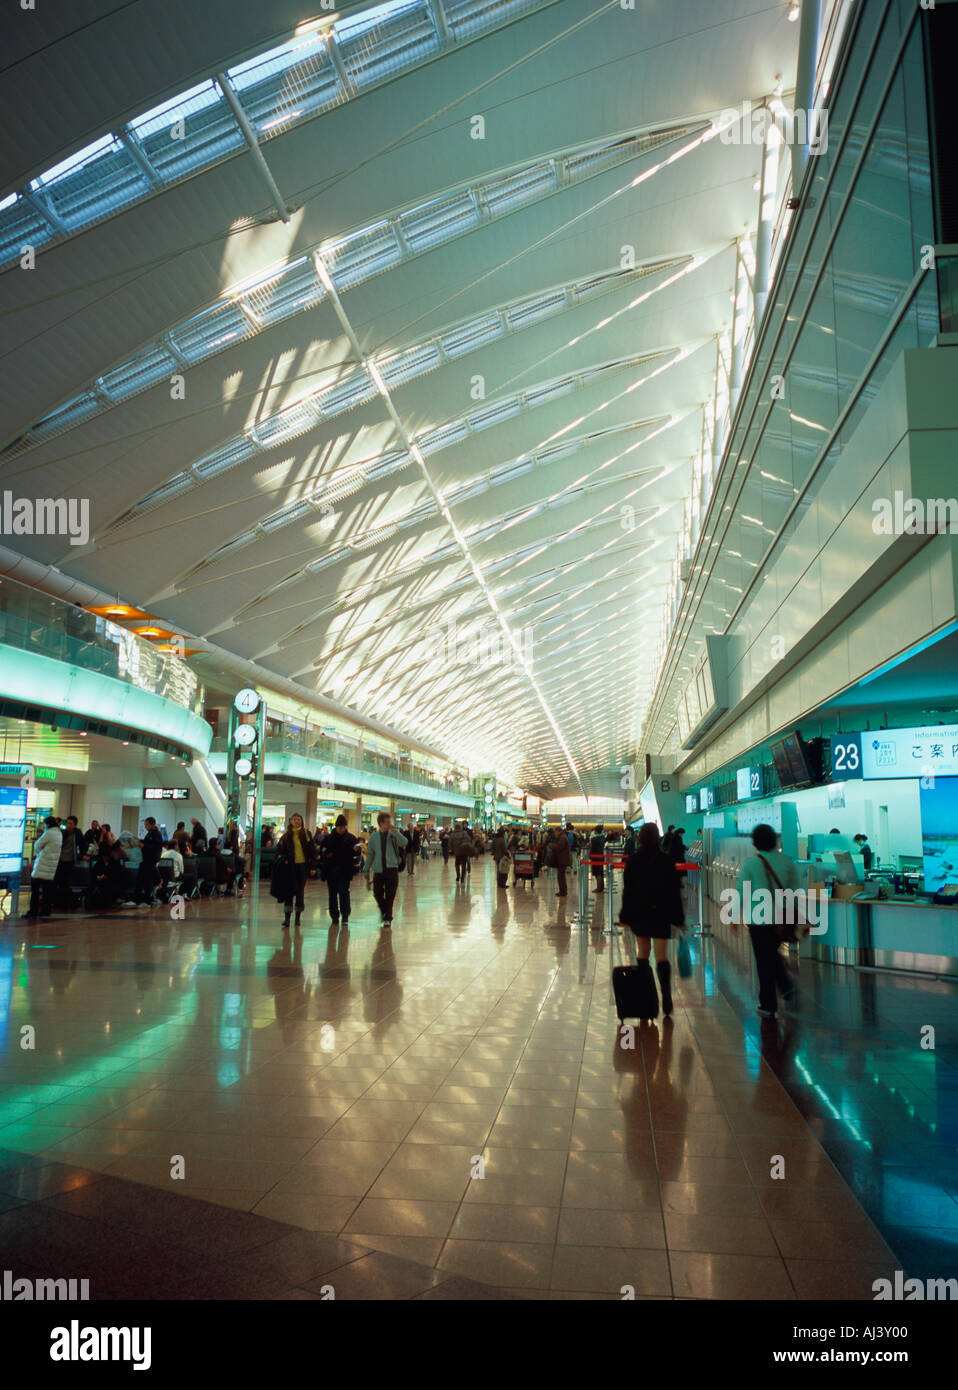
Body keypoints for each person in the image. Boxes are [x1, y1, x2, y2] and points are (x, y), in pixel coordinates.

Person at [617, 822, 685, 1015]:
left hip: (640, 913)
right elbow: (674, 892)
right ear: (658, 838)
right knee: (661, 955)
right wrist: (678, 919)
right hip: (661, 913)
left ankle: (647, 998)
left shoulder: (634, 860)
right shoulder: (666, 860)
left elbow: (628, 891)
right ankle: (666, 996)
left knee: (643, 953)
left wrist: (624, 916)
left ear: (640, 838)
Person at [735, 823, 799, 1019]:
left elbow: (741, 891)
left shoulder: (751, 864)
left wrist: (733, 916)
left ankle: (768, 1005)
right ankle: (786, 986)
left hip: (759, 920)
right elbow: (795, 890)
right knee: (771, 953)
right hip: (782, 919)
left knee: (764, 960)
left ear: (755, 843)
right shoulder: (787, 862)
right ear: (775, 840)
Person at [365, 811, 407, 928]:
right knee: (377, 894)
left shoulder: (393, 835)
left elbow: (405, 842)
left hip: (392, 869)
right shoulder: (373, 837)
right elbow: (370, 854)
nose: (390, 824)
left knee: (390, 895)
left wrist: (395, 832)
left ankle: (388, 918)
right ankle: (384, 911)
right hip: (378, 870)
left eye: (390, 822)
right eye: (388, 822)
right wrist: (366, 868)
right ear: (381, 823)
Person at [274, 813, 316, 928]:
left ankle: (297, 918)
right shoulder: (287, 835)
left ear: (301, 821)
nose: (297, 821)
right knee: (288, 891)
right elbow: (279, 849)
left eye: (299, 819)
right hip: (289, 867)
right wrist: (279, 857)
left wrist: (312, 867)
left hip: (302, 867)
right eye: (294, 819)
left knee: (299, 892)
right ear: (291, 821)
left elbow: (312, 851)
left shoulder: (306, 834)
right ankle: (287, 919)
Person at [321, 814, 358, 927]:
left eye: (343, 827)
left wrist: (356, 851)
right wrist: (326, 854)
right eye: (339, 827)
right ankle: (334, 916)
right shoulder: (328, 838)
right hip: (331, 871)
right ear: (336, 827)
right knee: (332, 894)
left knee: (343, 892)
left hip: (345, 871)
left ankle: (345, 915)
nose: (341, 829)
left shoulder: (351, 838)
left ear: (345, 827)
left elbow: (356, 854)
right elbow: (323, 852)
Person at [25, 816, 61, 919]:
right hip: (51, 868)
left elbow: (37, 846)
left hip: (42, 867)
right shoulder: (59, 834)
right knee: (47, 892)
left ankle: (33, 911)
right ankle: (46, 910)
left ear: (48, 824)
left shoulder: (49, 833)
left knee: (35, 891)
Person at [53, 814, 82, 911]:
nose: (68, 825)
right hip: (60, 861)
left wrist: (82, 854)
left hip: (69, 861)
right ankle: (58, 902)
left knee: (66, 883)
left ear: (75, 825)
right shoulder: (63, 833)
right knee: (59, 882)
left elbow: (83, 844)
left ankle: (64, 903)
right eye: (67, 823)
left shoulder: (77, 833)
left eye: (71, 823)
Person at [135, 816, 164, 905]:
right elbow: (147, 843)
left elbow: (155, 848)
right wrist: (139, 840)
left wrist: (144, 846)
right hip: (145, 860)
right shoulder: (149, 833)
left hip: (151, 861)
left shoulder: (157, 834)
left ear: (152, 825)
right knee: (141, 879)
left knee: (148, 880)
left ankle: (148, 899)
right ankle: (138, 898)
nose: (145, 827)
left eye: (146, 825)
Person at [554, 824, 571, 897]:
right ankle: (562, 891)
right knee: (561, 876)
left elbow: (559, 847)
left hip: (563, 859)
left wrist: (552, 846)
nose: (555, 834)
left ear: (558, 831)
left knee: (561, 876)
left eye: (555, 832)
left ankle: (563, 892)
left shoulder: (562, 837)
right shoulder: (562, 836)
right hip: (562, 859)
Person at [589, 824, 607, 893]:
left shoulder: (594, 839)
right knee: (600, 872)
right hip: (601, 856)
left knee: (597, 873)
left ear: (596, 831)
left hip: (595, 857)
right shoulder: (603, 838)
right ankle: (601, 887)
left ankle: (598, 888)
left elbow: (592, 849)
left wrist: (590, 855)